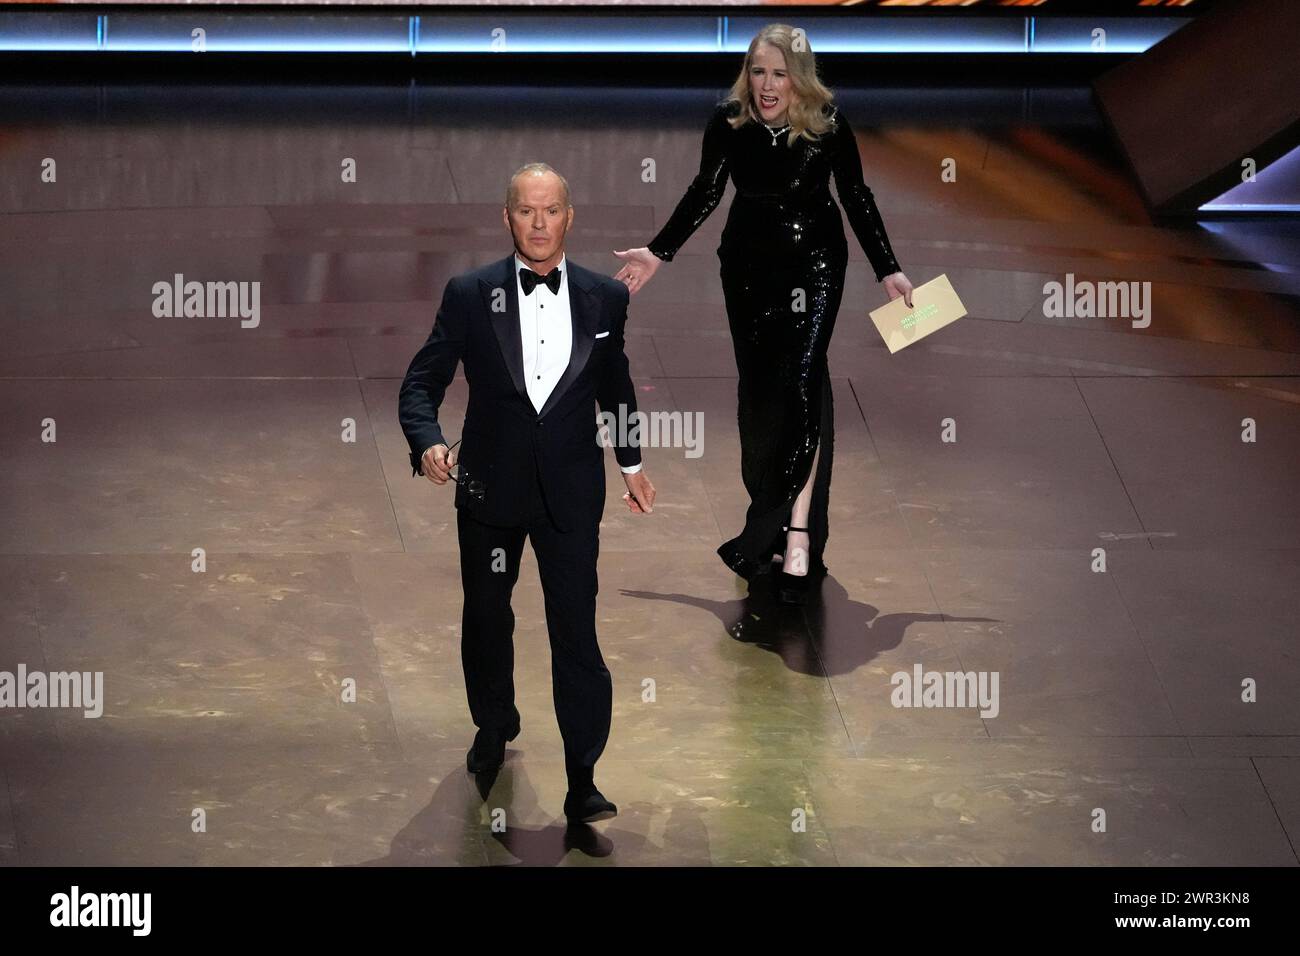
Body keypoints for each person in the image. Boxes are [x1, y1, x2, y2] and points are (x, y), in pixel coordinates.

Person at [614, 23, 912, 605]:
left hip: (815, 267)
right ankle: (770, 512)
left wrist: (888, 267)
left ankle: (790, 529)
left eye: (778, 73)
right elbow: (706, 190)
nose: (767, 84)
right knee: (760, 399)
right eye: (758, 71)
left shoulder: (827, 123)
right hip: (748, 272)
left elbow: (856, 195)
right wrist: (658, 252)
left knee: (801, 386)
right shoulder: (729, 120)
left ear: (797, 77)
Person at [399, 162, 657, 825]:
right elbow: (421, 382)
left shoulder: (605, 297)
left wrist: (630, 461)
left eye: (550, 211)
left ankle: (583, 775)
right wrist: (427, 441)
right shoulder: (468, 292)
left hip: (571, 494)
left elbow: (616, 386)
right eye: (525, 211)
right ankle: (494, 724)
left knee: (577, 633)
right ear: (505, 216)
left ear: (569, 218)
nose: (538, 223)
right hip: (490, 489)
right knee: (487, 619)